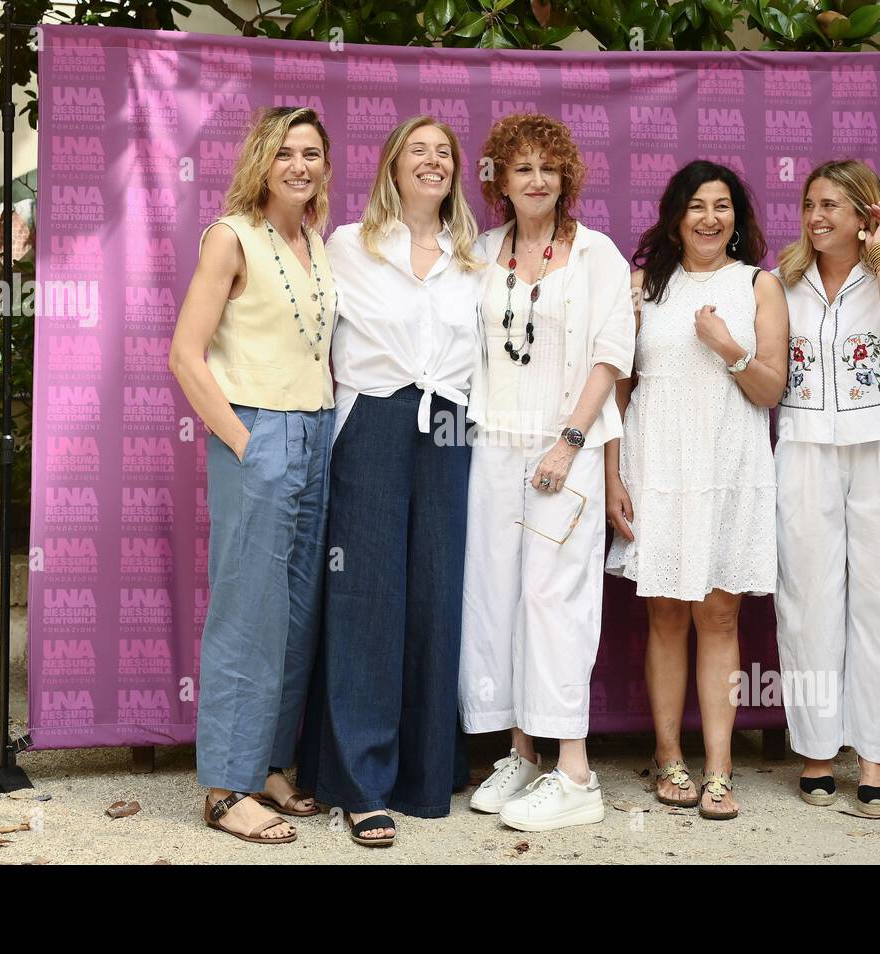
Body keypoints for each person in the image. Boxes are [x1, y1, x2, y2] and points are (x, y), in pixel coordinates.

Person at [297, 115, 483, 847]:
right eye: (419, 152)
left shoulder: (474, 257)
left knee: (436, 596)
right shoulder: (347, 244)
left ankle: (424, 771)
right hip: (371, 422)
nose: (432, 162)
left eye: (444, 154)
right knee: (366, 599)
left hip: (453, 428)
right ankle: (359, 782)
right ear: (392, 168)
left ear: (456, 172)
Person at [460, 113, 634, 832]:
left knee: (554, 603)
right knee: (497, 600)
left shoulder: (597, 256)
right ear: (498, 177)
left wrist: (569, 440)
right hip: (492, 447)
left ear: (566, 179)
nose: (535, 179)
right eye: (520, 166)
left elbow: (611, 353)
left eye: (547, 168)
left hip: (568, 449)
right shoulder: (482, 249)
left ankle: (576, 772)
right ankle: (523, 753)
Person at [168, 106, 337, 844]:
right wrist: (245, 442)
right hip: (259, 433)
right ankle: (225, 788)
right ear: (262, 162)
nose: (299, 166)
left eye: (312, 154)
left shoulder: (314, 240)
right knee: (248, 616)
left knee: (295, 615)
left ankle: (270, 765)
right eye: (286, 153)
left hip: (317, 431)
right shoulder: (230, 236)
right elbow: (184, 353)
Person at [605, 160, 788, 820]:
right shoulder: (641, 287)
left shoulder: (758, 286)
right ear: (676, 216)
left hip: (729, 467)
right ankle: (667, 754)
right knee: (665, 615)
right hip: (657, 464)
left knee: (718, 614)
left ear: (737, 217)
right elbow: (617, 389)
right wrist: (612, 476)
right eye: (697, 206)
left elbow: (771, 390)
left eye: (723, 206)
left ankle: (718, 768)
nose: (710, 217)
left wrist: (729, 347)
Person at [773, 158, 880, 817]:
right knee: (807, 603)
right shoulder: (784, 284)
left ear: (865, 213)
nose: (816, 216)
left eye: (832, 205)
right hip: (807, 453)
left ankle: (875, 755)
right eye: (810, 203)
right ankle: (817, 749)